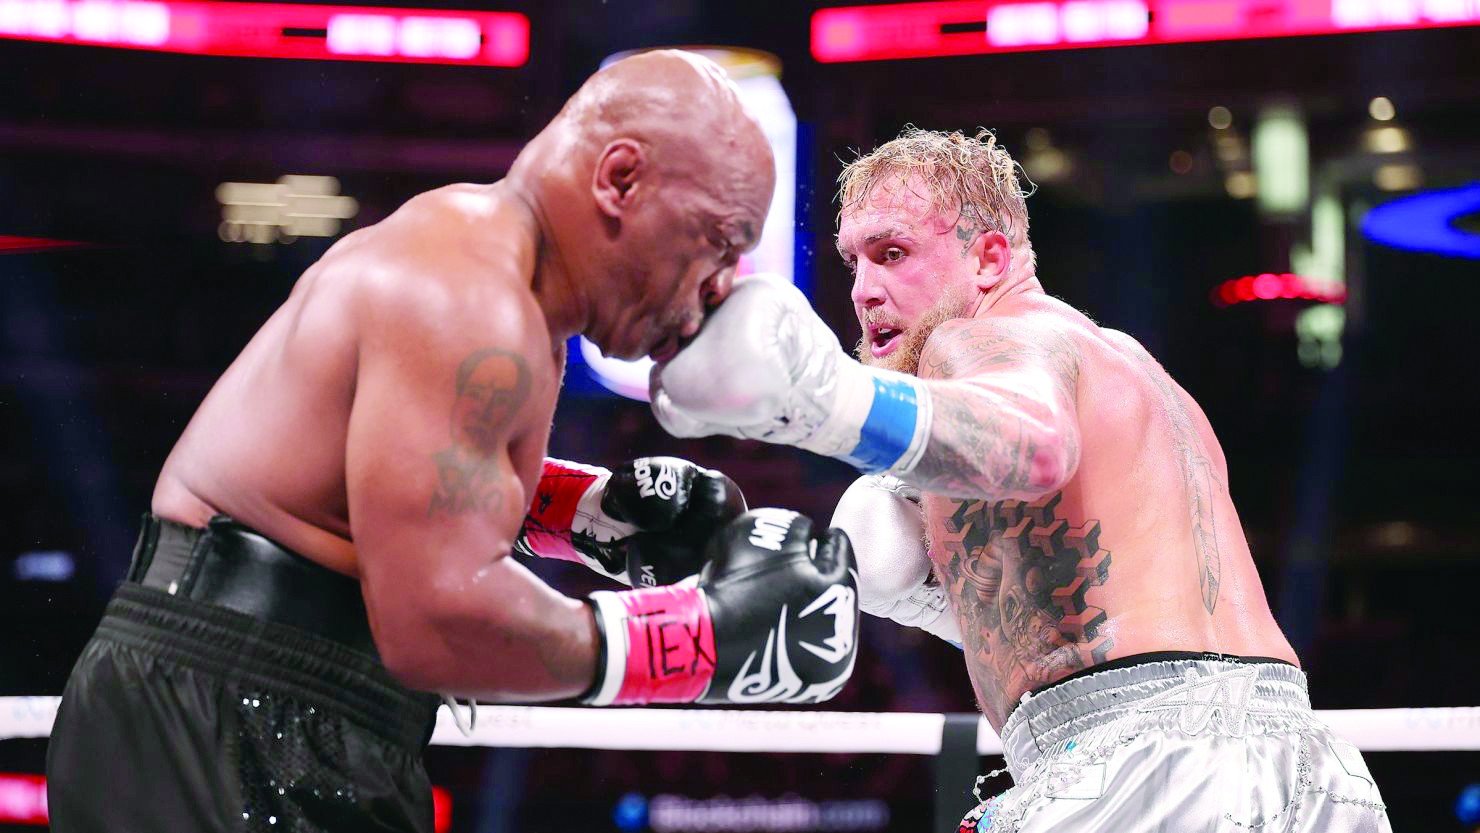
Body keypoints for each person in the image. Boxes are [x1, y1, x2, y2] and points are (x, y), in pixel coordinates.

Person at [46, 50, 861, 833]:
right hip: (232, 709)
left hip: (272, 702)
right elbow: (434, 619)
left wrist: (593, 515)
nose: (719, 286)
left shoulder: (493, 276)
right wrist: (698, 638)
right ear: (620, 179)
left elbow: (397, 478)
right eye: (719, 240)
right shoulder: (465, 294)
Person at [650, 126, 1390, 832]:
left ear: (991, 257)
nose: (864, 291)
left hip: (1139, 764)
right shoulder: (1129, 368)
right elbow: (1076, 604)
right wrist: (914, 591)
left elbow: (1031, 442)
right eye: (855, 262)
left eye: (894, 252)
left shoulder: (985, 339)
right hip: (1313, 771)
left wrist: (814, 398)